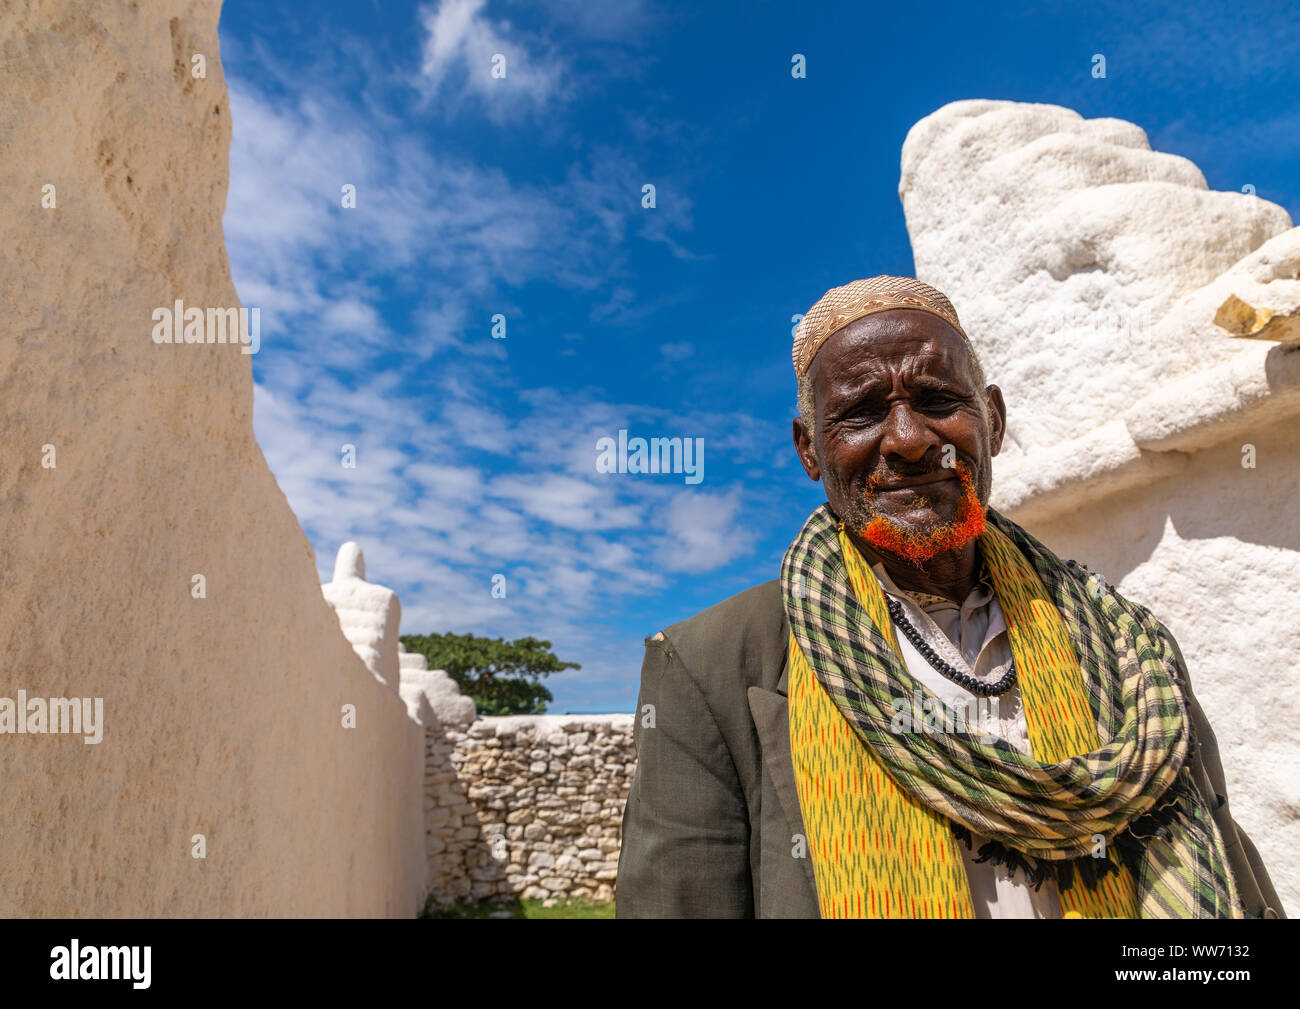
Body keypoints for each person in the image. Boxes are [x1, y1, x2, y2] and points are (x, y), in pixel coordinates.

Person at [615, 275, 1284, 918]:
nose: (909, 440)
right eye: (861, 412)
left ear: (990, 419)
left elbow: (1226, 867)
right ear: (810, 449)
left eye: (937, 400)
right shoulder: (712, 668)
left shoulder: (1127, 645)